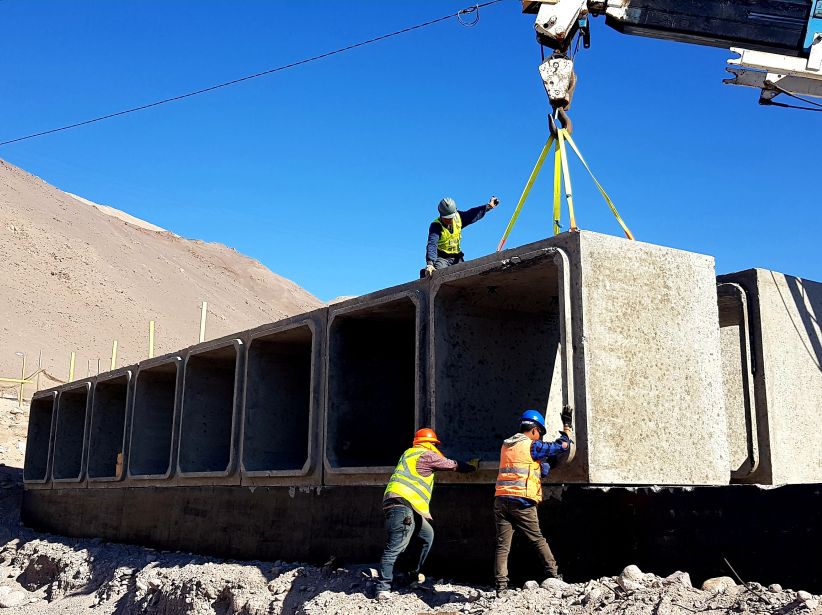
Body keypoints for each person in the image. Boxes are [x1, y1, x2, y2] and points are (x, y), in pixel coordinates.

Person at [375, 428, 478, 601]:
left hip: (403, 503)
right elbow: (452, 465)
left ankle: (410, 576)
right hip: (402, 504)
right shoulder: (426, 455)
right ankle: (383, 587)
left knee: (426, 535)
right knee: (396, 546)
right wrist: (471, 467)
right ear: (431, 444)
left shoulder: (409, 453)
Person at [493, 409, 573, 595]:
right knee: (537, 539)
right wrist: (567, 429)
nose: (539, 438)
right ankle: (553, 574)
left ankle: (501, 587)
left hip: (501, 500)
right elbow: (561, 446)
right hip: (522, 501)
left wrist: (544, 465)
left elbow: (530, 467)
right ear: (535, 430)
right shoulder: (532, 445)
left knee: (502, 545)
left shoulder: (507, 445)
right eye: (540, 435)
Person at [422, 196, 500, 278]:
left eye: (452, 217)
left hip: (457, 257)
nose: (451, 220)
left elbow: (472, 214)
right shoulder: (436, 225)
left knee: (465, 276)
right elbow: (432, 244)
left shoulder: (458, 217)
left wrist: (489, 206)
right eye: (447, 218)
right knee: (437, 275)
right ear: (442, 215)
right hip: (442, 258)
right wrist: (430, 264)